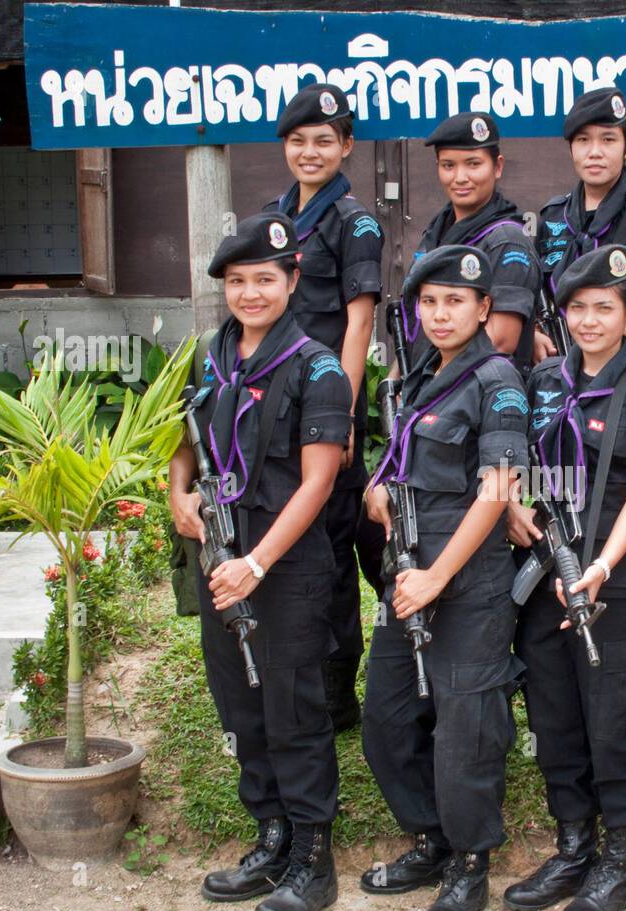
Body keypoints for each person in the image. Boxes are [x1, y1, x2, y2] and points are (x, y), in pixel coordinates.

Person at [169, 212, 352, 911]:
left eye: (265, 280)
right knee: (240, 705)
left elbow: (317, 481)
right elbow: (183, 444)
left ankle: (313, 856)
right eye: (238, 281)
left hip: (286, 562)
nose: (250, 293)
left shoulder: (318, 368)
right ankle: (270, 835)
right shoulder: (206, 359)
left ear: (292, 282)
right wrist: (176, 493)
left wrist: (258, 561)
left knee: (294, 709)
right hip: (220, 555)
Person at [504, 244, 626, 911]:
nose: (590, 319)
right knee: (553, 718)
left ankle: (620, 865)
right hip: (543, 567)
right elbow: (508, 457)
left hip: (609, 576)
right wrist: (510, 504)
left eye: (605, 306)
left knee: (613, 722)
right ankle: (573, 847)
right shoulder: (542, 379)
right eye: (577, 307)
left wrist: (602, 563)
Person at [359, 245, 528, 911]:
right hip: (407, 576)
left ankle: (469, 861)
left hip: (467, 584)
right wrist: (375, 490)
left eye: (455, 300)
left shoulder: (498, 380)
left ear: (485, 308)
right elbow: (392, 462)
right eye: (428, 301)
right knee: (387, 720)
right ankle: (430, 837)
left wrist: (438, 575)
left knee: (466, 730)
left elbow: (497, 492)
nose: (439, 313)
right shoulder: (415, 379)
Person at [265, 82, 385, 731]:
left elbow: (359, 325)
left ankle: (339, 693)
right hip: (279, 411)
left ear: (346, 146)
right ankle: (302, 672)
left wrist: (336, 417)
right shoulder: (277, 218)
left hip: (326, 410)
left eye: (323, 141)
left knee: (333, 548)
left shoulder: (354, 223)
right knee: (295, 540)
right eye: (298, 140)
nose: (310, 151)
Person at [534, 86, 626, 365]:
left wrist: (584, 365)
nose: (595, 152)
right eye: (583, 140)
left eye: (608, 140)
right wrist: (535, 334)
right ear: (571, 147)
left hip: (620, 376)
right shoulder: (553, 216)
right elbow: (535, 294)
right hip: (554, 376)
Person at [404, 112, 541, 377]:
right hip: (428, 393)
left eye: (473, 164)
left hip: (477, 399)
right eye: (448, 165)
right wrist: (400, 379)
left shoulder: (507, 242)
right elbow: (418, 328)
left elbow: (500, 339)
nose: (460, 177)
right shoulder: (435, 233)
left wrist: (434, 382)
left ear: (497, 167)